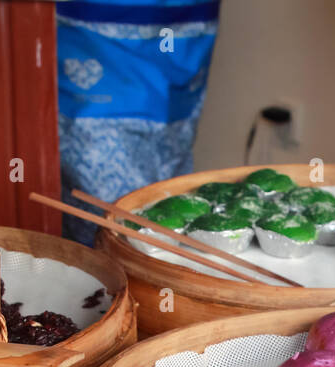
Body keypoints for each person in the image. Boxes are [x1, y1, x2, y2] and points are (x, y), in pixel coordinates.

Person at [57, 0, 221, 244]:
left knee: (168, 171)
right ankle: (103, 263)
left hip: (179, 24)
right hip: (93, 30)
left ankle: (158, 260)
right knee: (96, 192)